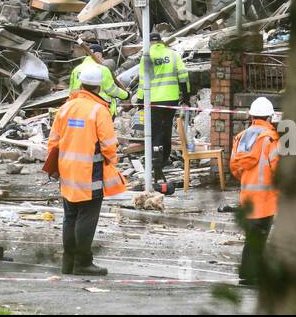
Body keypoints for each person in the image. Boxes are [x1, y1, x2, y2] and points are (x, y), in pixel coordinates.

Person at [43, 64, 126, 276]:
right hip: (91, 171)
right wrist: (111, 161)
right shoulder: (99, 110)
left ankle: (68, 263)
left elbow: (53, 141)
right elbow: (109, 145)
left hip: (67, 171)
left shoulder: (66, 107)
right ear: (99, 87)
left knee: (70, 216)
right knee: (87, 216)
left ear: (81, 83)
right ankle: (83, 262)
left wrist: (57, 165)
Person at [229, 96, 280, 286]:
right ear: (269, 117)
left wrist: (247, 178)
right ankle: (250, 275)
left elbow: (235, 168)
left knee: (251, 238)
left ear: (251, 116)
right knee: (258, 239)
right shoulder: (269, 138)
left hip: (247, 197)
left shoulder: (241, 138)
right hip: (265, 199)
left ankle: (248, 273)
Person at [134, 26, 190, 184]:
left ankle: (156, 160)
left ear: (150, 43)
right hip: (171, 99)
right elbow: (183, 75)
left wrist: (140, 100)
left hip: (153, 101)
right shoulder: (173, 55)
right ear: (161, 42)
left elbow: (142, 81)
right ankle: (164, 158)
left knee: (155, 131)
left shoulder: (146, 57)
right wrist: (185, 96)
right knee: (166, 129)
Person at [68, 43, 128, 116]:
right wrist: (125, 95)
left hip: (80, 108)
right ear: (99, 55)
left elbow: (71, 92)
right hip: (100, 107)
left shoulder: (76, 70)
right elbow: (112, 90)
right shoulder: (103, 69)